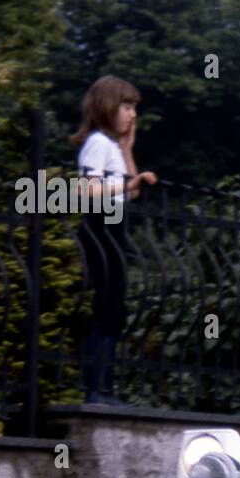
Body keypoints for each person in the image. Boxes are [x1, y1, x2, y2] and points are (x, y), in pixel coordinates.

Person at [71, 75, 157, 405]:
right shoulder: (96, 143)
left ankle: (106, 389)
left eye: (134, 108)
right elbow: (88, 189)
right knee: (104, 307)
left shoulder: (114, 148)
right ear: (108, 107)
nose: (133, 115)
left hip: (116, 226)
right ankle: (96, 389)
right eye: (126, 107)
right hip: (101, 225)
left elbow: (130, 193)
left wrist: (128, 152)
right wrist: (130, 181)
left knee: (114, 311)